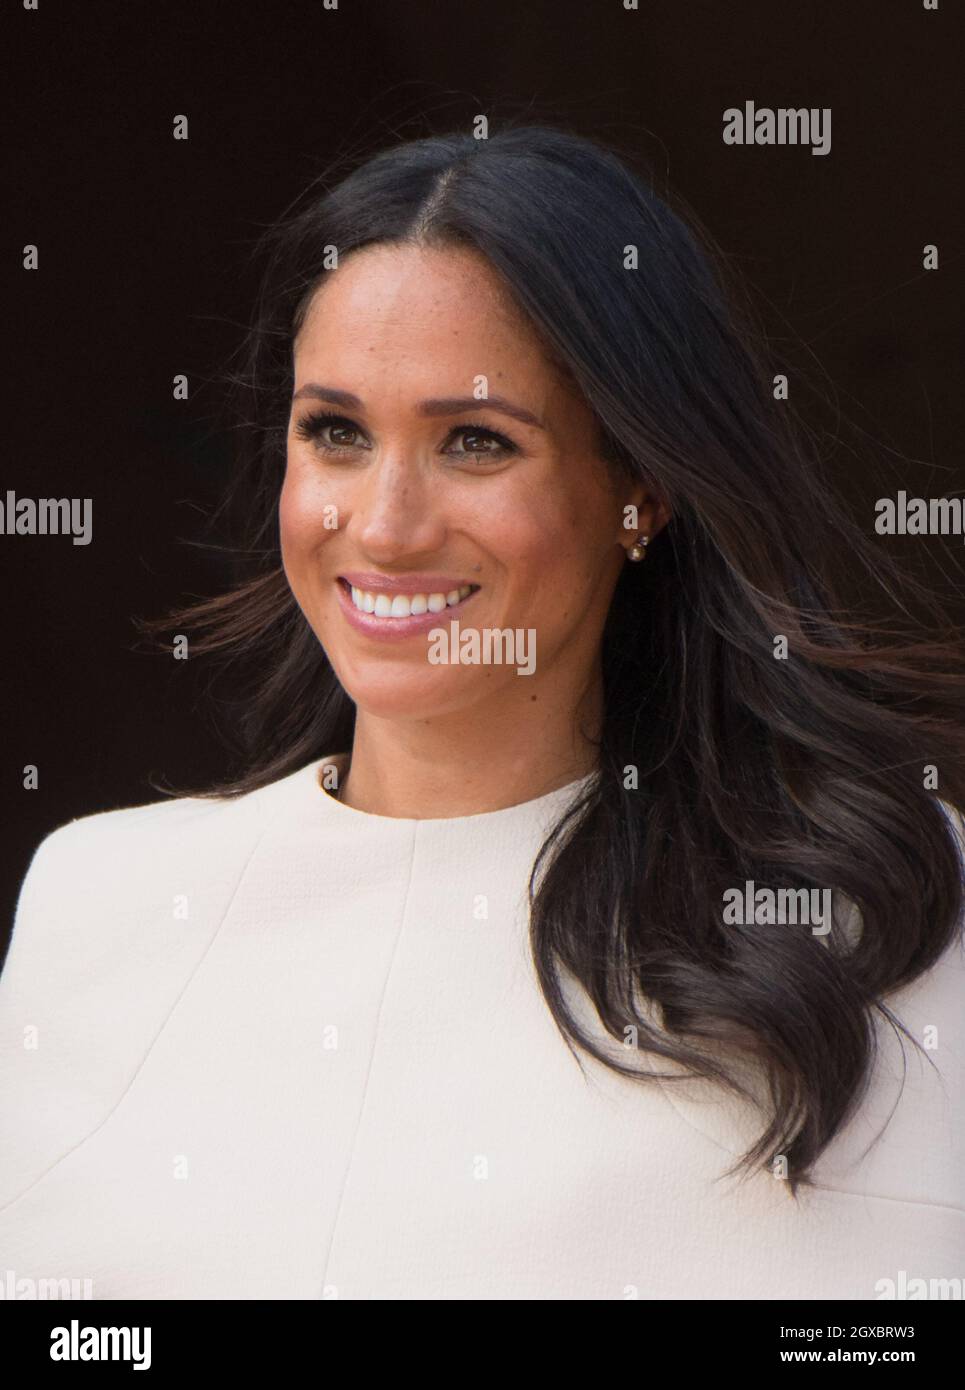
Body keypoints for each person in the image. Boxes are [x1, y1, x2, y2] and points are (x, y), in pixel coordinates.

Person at [1, 124, 963, 1300]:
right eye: (336, 433)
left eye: (473, 441)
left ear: (639, 490)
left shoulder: (892, 914)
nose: (387, 524)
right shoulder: (95, 904)